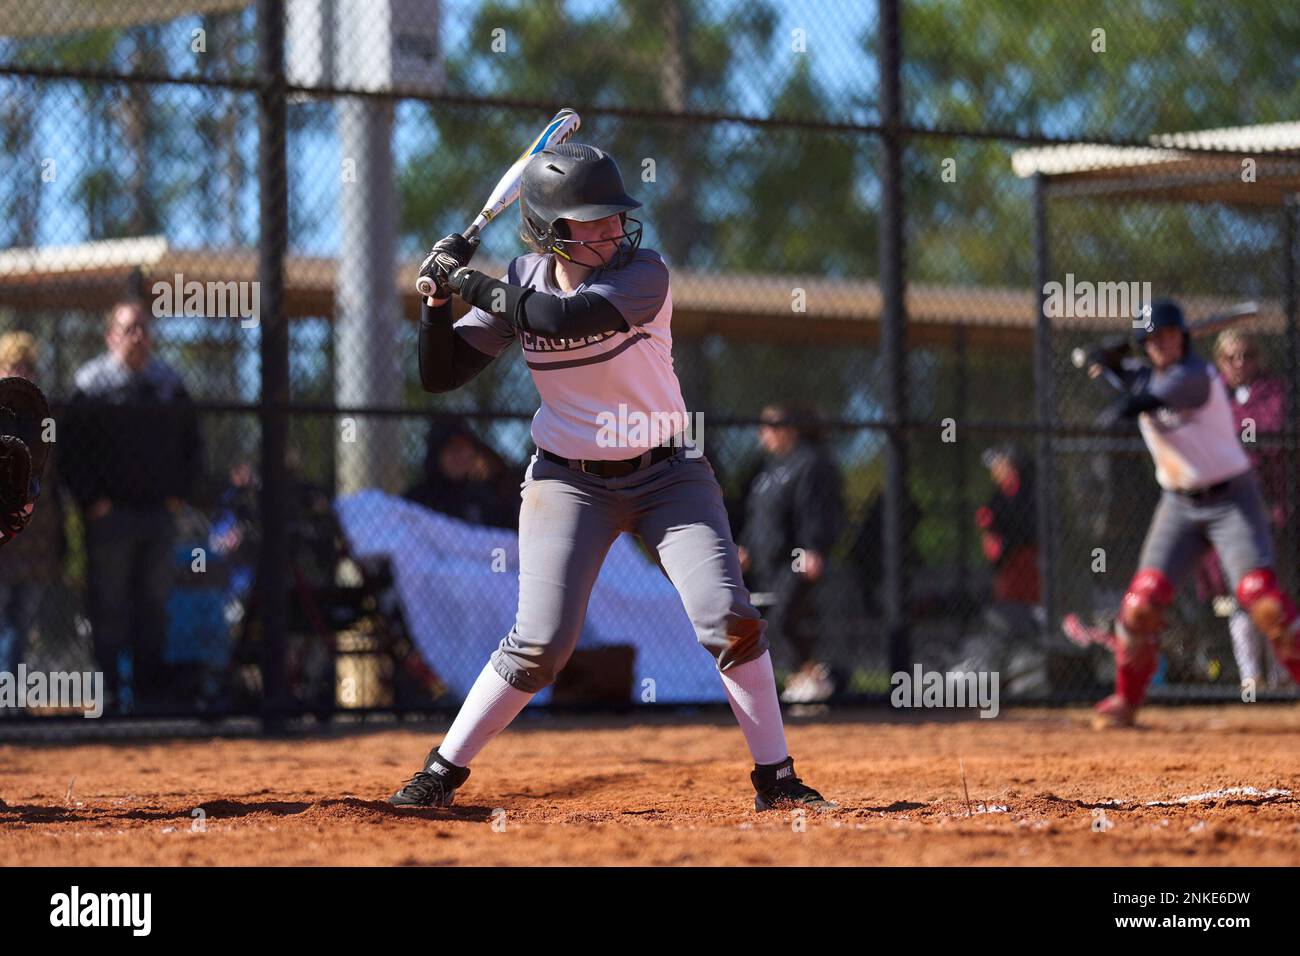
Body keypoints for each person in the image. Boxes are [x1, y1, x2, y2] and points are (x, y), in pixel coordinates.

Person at [390, 142, 833, 811]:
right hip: (568, 483)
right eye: (587, 220)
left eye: (612, 216)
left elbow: (561, 319)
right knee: (541, 645)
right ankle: (440, 772)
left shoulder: (643, 274)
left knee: (729, 619)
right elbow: (441, 373)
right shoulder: (523, 279)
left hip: (669, 477)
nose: (607, 230)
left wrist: (464, 279)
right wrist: (433, 303)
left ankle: (777, 778)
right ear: (547, 231)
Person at [1082, 299, 1300, 727]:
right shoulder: (1149, 373)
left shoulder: (1195, 377)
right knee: (1139, 608)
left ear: (1182, 337)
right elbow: (1135, 381)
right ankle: (1127, 702)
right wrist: (1104, 361)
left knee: (1264, 602)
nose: (1161, 345)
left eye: (1167, 336)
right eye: (1152, 339)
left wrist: (1109, 370)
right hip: (1179, 504)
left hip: (1231, 499)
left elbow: (1136, 403)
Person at [62, 301, 203, 712]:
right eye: (128, 329)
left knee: (154, 605)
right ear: (111, 337)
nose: (137, 336)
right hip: (109, 518)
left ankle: (149, 696)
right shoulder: (90, 385)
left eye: (143, 328)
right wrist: (92, 501)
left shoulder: (169, 384)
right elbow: (70, 453)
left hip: (158, 514)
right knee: (108, 605)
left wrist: (180, 494)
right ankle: (105, 695)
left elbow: (193, 446)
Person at [1195, 329, 1291, 688]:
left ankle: (1281, 675)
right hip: (1221, 507)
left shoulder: (1274, 393)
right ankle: (1251, 678)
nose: (1240, 363)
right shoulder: (1211, 393)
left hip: (1266, 506)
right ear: (1219, 361)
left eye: (1247, 355)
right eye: (1230, 357)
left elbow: (1270, 430)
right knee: (1239, 596)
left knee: (1268, 592)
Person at [736, 402, 844, 702]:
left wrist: (814, 548)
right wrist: (745, 547)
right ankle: (805, 679)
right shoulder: (768, 471)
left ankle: (813, 678)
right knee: (769, 620)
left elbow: (817, 511)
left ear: (789, 430)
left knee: (784, 618)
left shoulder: (809, 463)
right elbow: (759, 516)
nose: (763, 435)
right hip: (766, 562)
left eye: (769, 427)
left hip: (795, 558)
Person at [0, 333, 62, 676]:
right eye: (13, 365)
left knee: (21, 626)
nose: (21, 372)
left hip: (36, 541)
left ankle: (11, 707)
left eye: (27, 366)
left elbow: (54, 485)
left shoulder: (44, 420)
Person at [404, 421, 519, 530]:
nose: (460, 456)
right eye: (452, 448)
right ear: (437, 455)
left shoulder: (486, 499)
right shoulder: (418, 499)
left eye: (465, 448)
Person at [975, 443, 1039, 605]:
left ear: (1012, 467)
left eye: (999, 464)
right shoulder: (1001, 494)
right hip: (1007, 563)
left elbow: (1023, 527)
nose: (994, 469)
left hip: (1022, 559)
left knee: (1018, 603)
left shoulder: (1026, 492)